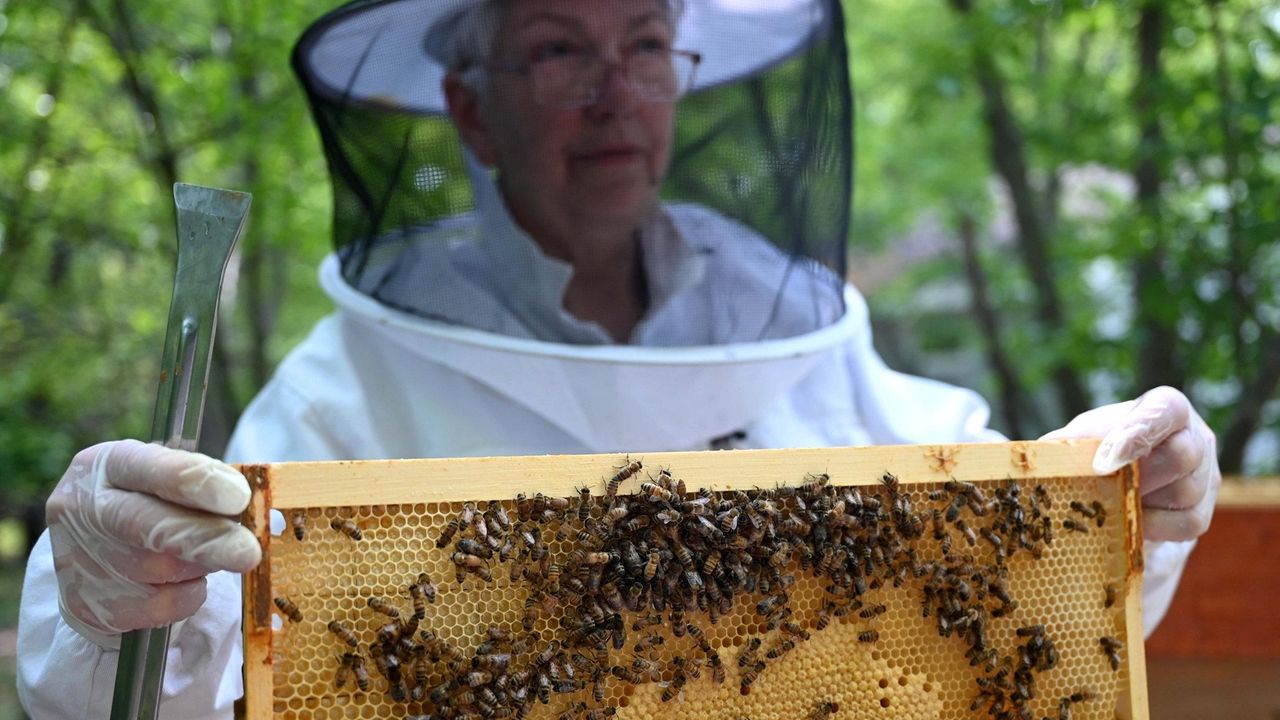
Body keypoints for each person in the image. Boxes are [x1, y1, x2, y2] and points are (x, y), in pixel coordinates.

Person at [17, 0, 1220, 717]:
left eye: (644, 45)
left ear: (681, 88)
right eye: (555, 49)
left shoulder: (829, 357)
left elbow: (1008, 605)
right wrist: (103, 597)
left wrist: (1119, 502)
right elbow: (167, 679)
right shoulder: (339, 395)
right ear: (473, 108)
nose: (612, 94)